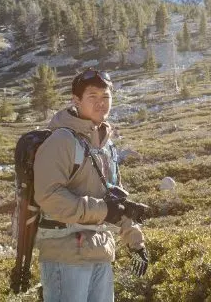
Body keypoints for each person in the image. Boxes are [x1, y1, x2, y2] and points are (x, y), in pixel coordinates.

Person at [33, 69, 148, 302]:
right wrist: (104, 210)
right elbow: (49, 198)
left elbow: (116, 202)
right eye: (92, 97)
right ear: (76, 101)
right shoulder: (62, 140)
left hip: (100, 251)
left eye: (105, 97)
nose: (100, 103)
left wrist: (136, 243)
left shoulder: (106, 147)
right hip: (65, 255)